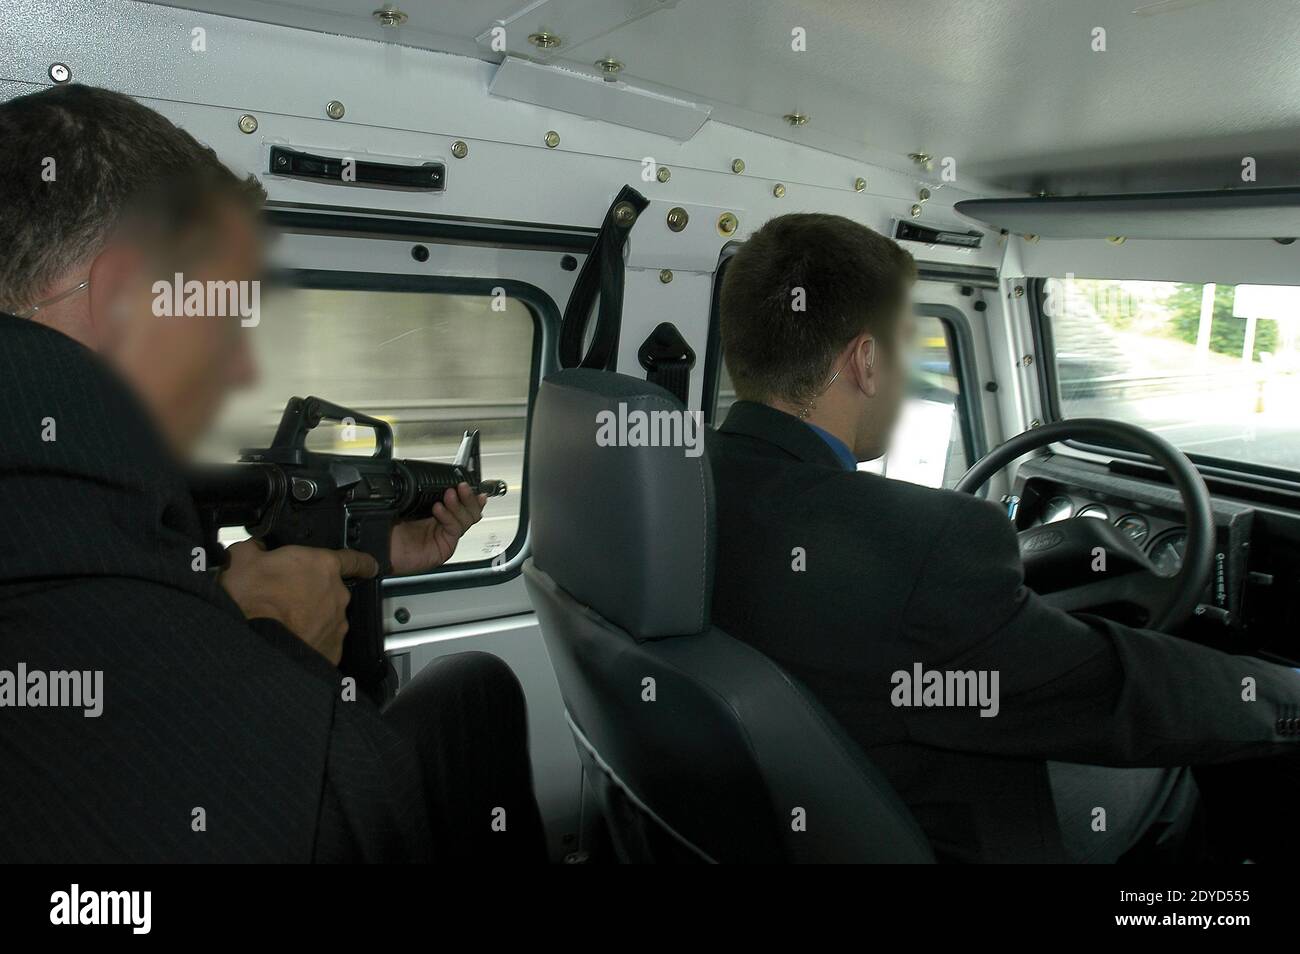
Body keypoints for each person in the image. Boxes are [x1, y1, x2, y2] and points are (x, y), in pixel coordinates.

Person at [0, 83, 544, 862]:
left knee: (469, 688)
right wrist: (276, 652)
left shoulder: (63, 510)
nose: (242, 363)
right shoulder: (314, 784)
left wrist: (354, 556)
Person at [708, 212, 1300, 863]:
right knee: (1165, 777)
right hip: (929, 828)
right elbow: (1112, 696)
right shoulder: (924, 540)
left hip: (768, 817)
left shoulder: (678, 488)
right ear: (867, 361)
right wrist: (1281, 699)